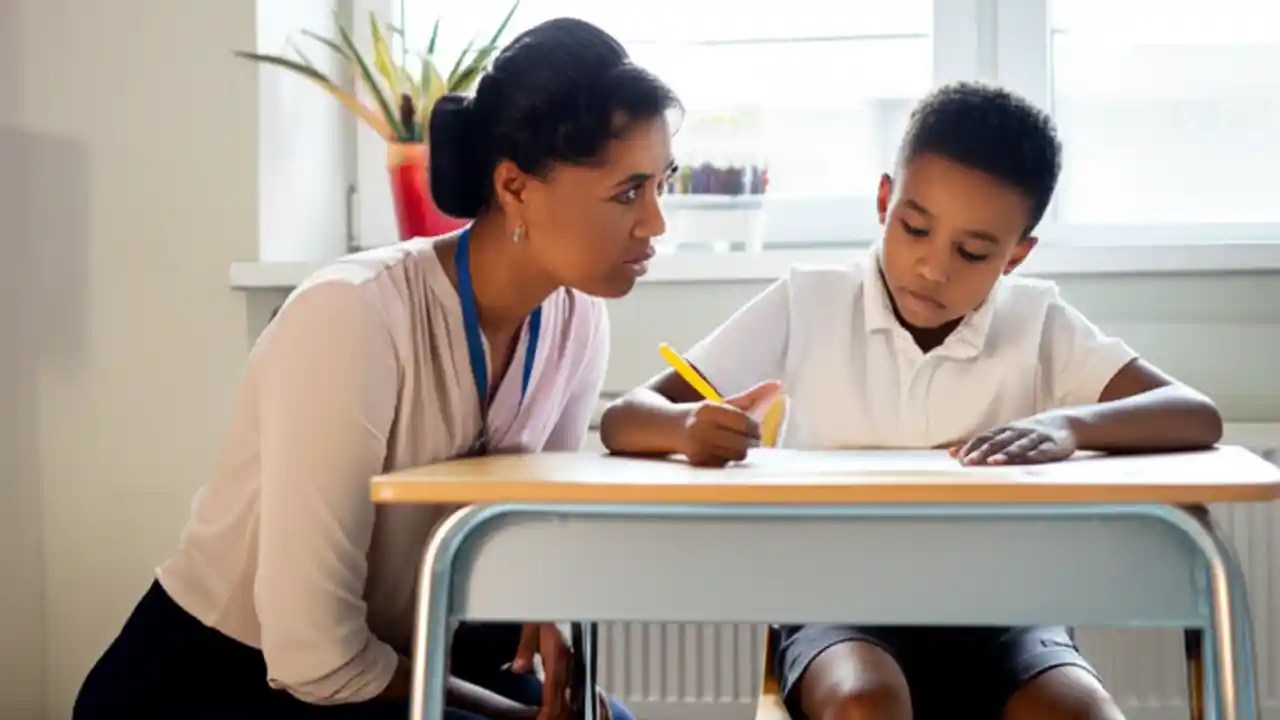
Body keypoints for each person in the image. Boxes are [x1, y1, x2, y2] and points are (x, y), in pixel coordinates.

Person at [74, 17, 680, 720]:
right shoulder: (353, 317)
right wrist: (504, 713)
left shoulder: (577, 320)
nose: (657, 222)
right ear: (514, 186)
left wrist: (545, 601)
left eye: (664, 182)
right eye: (628, 192)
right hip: (221, 684)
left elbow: (518, 533)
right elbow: (315, 657)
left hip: (396, 663)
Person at [598, 81, 1223, 720]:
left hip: (1004, 613)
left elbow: (1196, 414)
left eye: (973, 251)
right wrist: (684, 429)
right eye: (915, 227)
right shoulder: (809, 300)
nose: (932, 267)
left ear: (1016, 255)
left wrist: (1071, 424)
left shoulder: (1037, 321)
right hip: (837, 607)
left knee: (1077, 713)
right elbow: (625, 420)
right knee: (866, 704)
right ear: (883, 201)